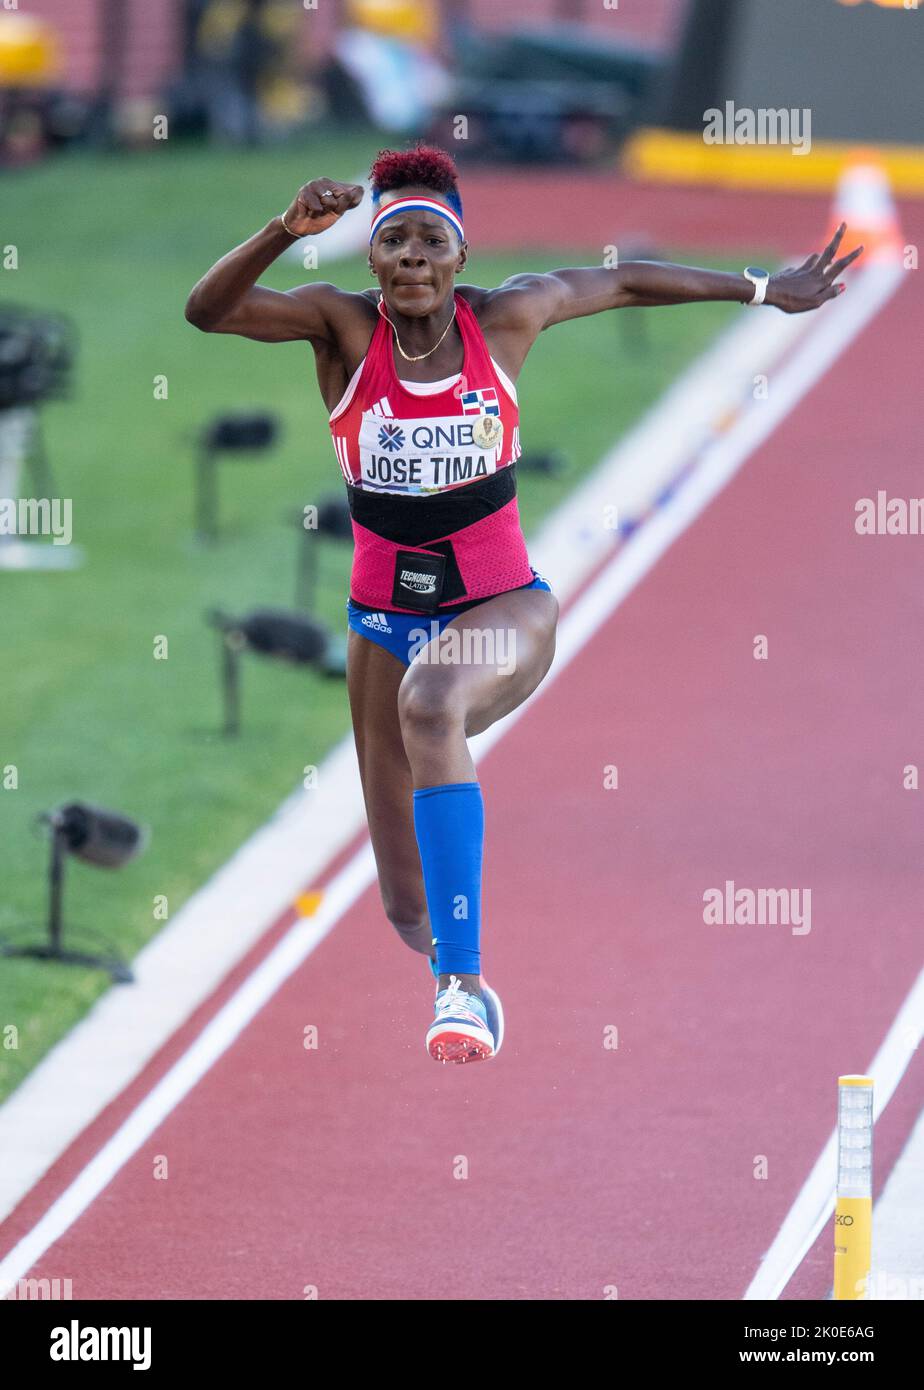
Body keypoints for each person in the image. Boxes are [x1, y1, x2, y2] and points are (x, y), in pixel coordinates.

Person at [185, 142, 862, 1064]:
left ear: (462, 260)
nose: (415, 258)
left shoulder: (509, 317)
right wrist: (283, 229)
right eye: (396, 244)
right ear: (373, 260)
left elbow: (622, 285)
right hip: (382, 619)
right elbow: (207, 311)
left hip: (501, 604)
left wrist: (758, 289)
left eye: (433, 242)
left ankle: (461, 986)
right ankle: (448, 961)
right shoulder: (339, 328)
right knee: (404, 905)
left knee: (432, 706)